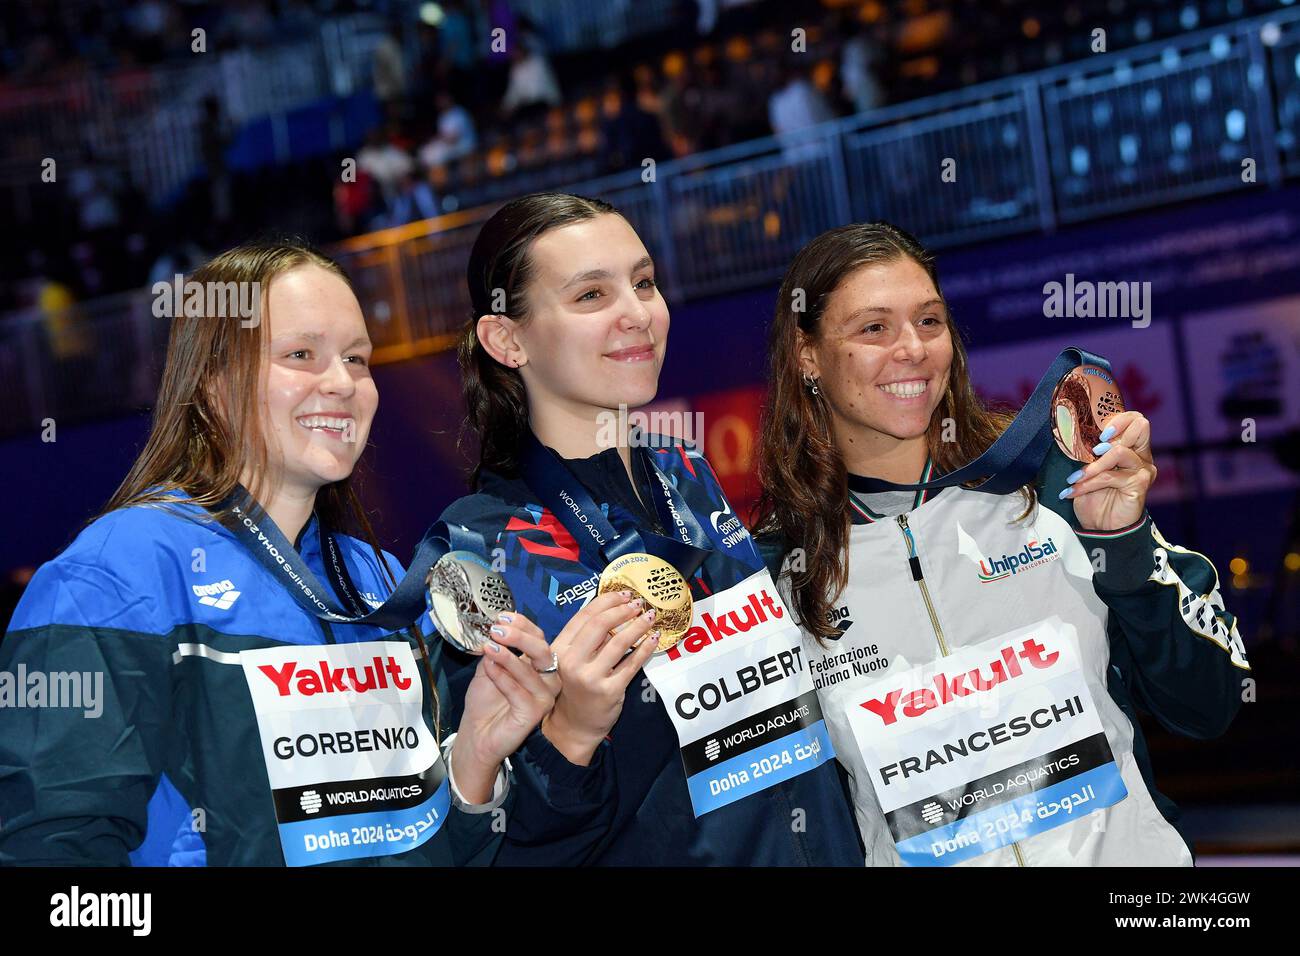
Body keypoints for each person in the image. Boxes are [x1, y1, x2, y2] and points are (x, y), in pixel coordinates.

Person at [0, 238, 559, 866]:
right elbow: (51, 856)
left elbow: (415, 840)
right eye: (301, 354)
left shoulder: (378, 580)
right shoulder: (118, 570)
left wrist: (475, 761)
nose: (342, 383)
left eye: (356, 358)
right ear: (214, 383)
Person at [755, 222, 1251, 866]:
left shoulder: (1050, 481)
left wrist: (1123, 544)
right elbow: (785, 821)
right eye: (873, 328)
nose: (912, 349)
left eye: (929, 321)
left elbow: (1211, 704)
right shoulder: (780, 573)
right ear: (807, 355)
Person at [436, 192, 862, 865]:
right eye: (591, 296)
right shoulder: (478, 551)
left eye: (643, 283)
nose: (637, 314)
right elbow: (498, 850)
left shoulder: (686, 472)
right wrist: (570, 735)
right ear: (506, 339)